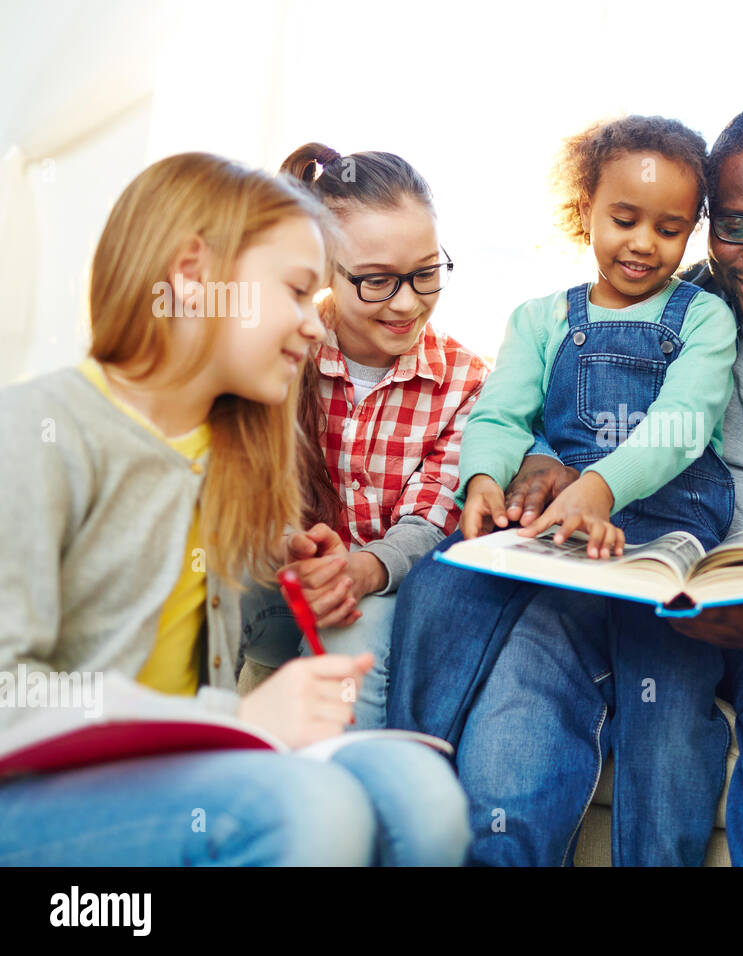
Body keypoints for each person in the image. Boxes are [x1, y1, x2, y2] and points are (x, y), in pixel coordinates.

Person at [435, 101, 743, 865]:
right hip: (639, 571)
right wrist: (538, 455)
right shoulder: (661, 303)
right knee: (526, 673)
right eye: (735, 226)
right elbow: (547, 394)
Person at [0, 153, 469, 866]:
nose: (317, 326)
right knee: (308, 807)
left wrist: (278, 551)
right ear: (194, 278)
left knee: (418, 789)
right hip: (39, 789)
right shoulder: (38, 431)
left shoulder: (234, 450)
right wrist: (238, 717)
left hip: (179, 773)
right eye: (296, 290)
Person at [386, 115, 738, 865]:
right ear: (585, 210)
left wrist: (603, 489)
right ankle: (409, 790)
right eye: (625, 218)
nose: (644, 242)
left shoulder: (705, 317)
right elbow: (501, 414)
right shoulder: (542, 318)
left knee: (666, 687)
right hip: (559, 526)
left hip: (664, 520)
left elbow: (684, 422)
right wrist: (484, 479)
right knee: (439, 585)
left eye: (671, 228)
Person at [237, 144, 488, 730]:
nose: (406, 302)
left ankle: (335, 806)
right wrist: (287, 547)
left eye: (426, 273)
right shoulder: (278, 345)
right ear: (325, 268)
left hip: (378, 595)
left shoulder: (467, 382)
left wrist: (363, 569)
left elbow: (431, 519)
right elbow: (239, 477)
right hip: (278, 583)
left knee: (356, 635)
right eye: (376, 281)